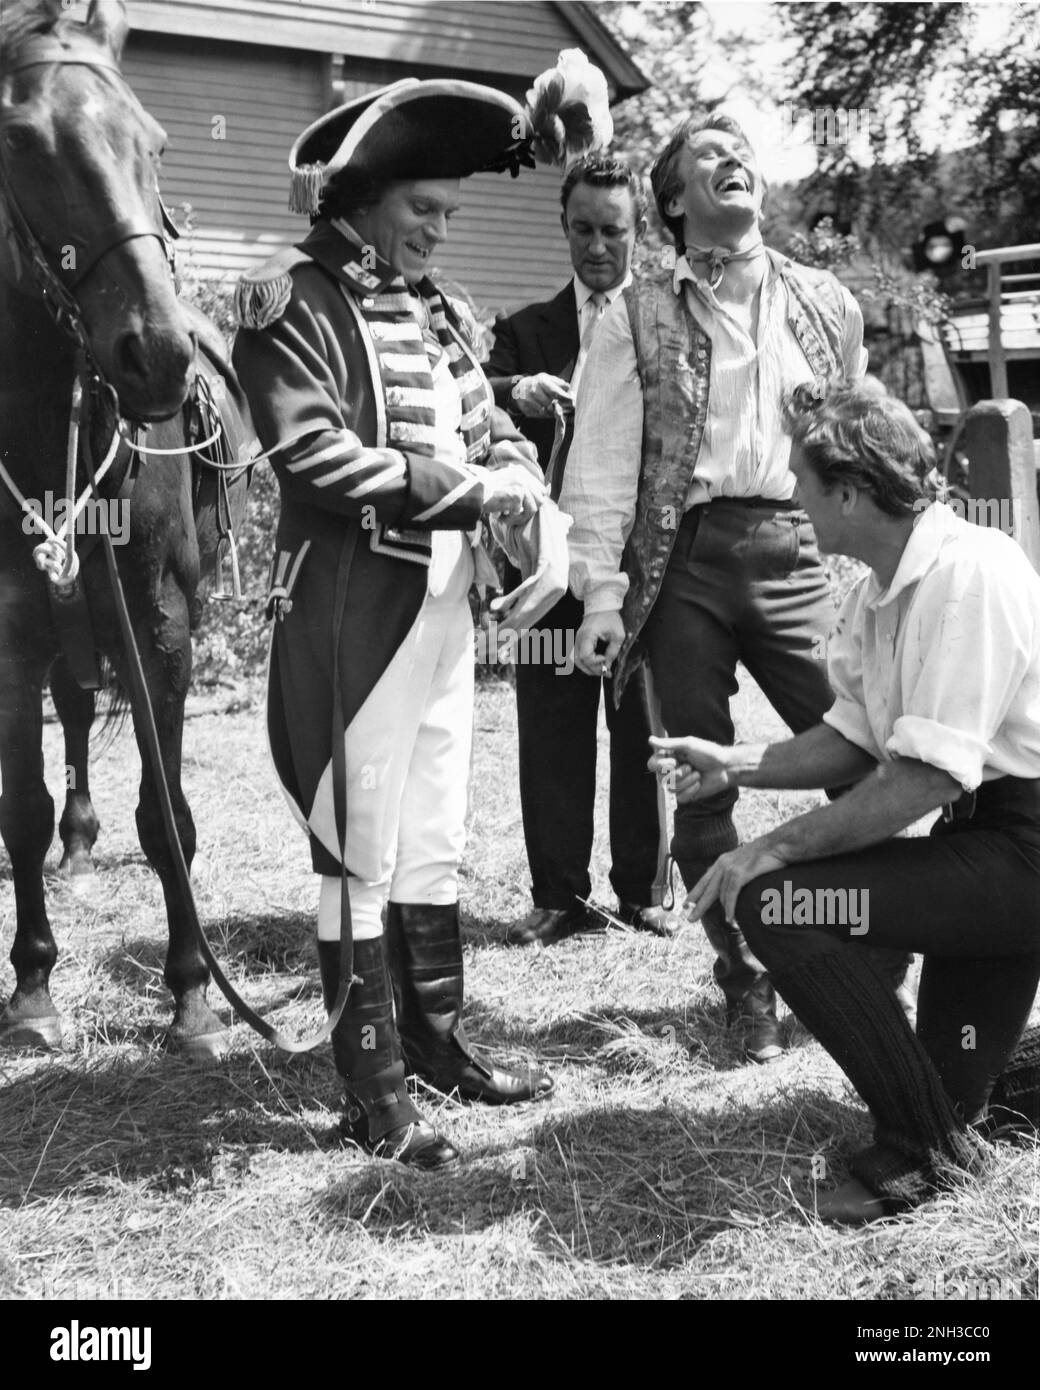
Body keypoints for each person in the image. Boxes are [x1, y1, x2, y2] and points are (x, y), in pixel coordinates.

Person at [232, 79, 555, 1169]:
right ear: (362, 198)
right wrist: (465, 490)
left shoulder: (438, 307)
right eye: (423, 206)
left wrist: (511, 475)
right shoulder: (289, 301)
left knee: (433, 840)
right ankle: (373, 1094)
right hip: (353, 613)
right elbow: (312, 455)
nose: (436, 228)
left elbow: (488, 420)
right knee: (354, 856)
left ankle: (437, 1043)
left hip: (444, 606)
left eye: (449, 213)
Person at [559, 112, 910, 1063]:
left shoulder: (828, 303)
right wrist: (598, 594)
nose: (733, 162)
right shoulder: (634, 311)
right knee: (701, 778)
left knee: (870, 749)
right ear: (674, 201)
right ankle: (746, 977)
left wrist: (886, 557)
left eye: (740, 150)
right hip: (682, 562)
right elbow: (599, 461)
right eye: (707, 156)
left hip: (804, 551)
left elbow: (859, 440)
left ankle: (867, 953)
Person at [651, 378, 1040, 1223]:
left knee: (779, 900)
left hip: (1024, 854)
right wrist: (734, 763)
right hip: (988, 850)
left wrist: (775, 846)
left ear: (851, 493)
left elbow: (926, 778)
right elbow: (853, 738)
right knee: (961, 1081)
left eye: (802, 479)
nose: (792, 496)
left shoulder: (972, 571)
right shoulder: (876, 589)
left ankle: (924, 1154)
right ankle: (949, 1117)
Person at [486, 156, 674, 948]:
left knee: (643, 729)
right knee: (553, 732)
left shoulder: (665, 327)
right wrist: (511, 393)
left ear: (640, 232)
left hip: (646, 562)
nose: (599, 247)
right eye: (584, 229)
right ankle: (558, 893)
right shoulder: (525, 330)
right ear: (564, 228)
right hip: (550, 563)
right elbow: (472, 399)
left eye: (615, 231)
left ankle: (646, 891)